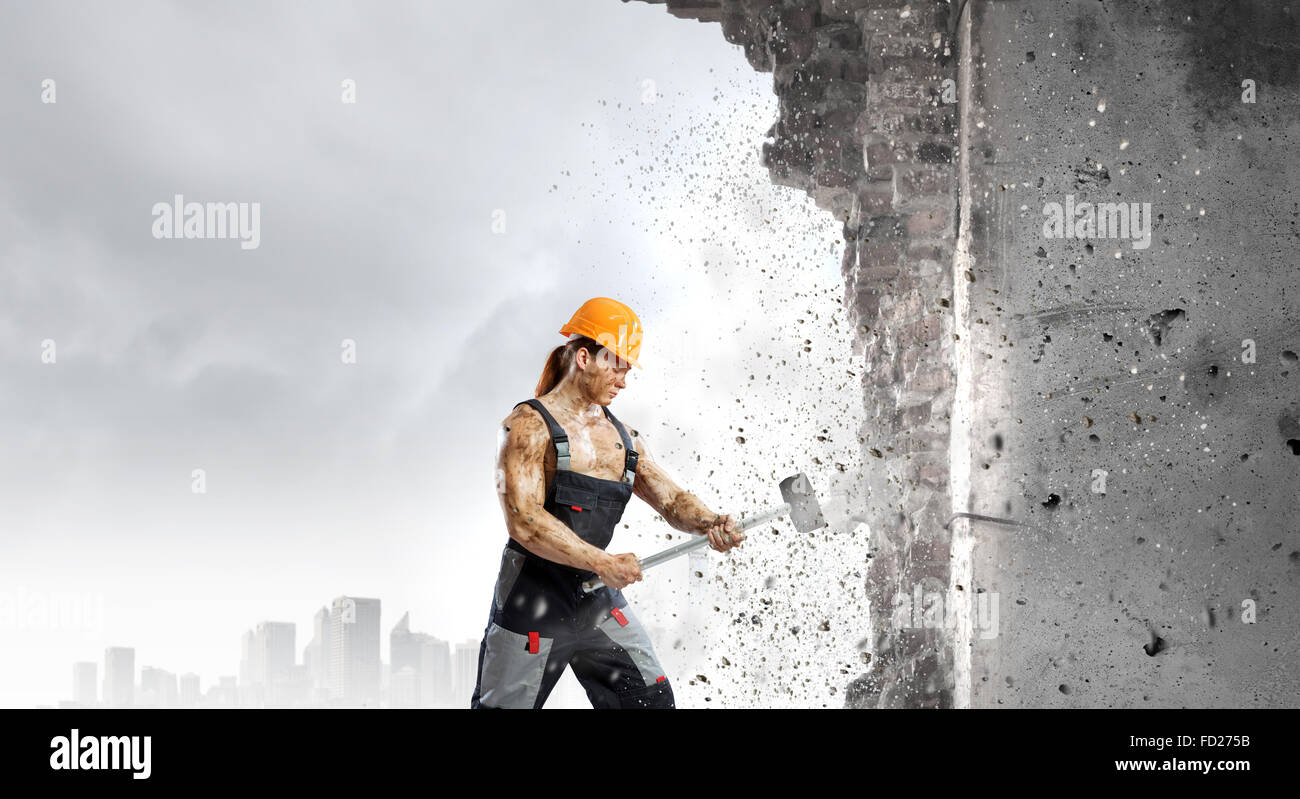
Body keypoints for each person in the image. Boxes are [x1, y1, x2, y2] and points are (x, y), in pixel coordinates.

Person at [469, 297, 743, 709]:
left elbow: (672, 501)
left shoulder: (624, 440)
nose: (624, 380)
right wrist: (601, 561)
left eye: (628, 370)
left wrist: (710, 522)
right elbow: (524, 521)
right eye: (617, 365)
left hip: (594, 597)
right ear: (585, 357)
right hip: (532, 597)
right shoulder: (526, 426)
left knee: (650, 700)